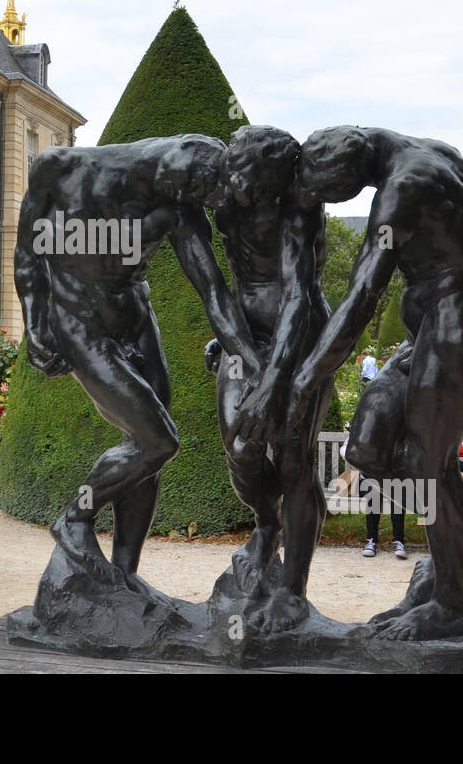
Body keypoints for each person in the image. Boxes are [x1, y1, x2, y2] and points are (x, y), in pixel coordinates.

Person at [15, 135, 261, 604]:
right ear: (167, 169)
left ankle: (124, 575)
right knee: (157, 441)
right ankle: (75, 518)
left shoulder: (178, 205)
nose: (187, 206)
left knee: (146, 453)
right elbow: (29, 255)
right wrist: (35, 325)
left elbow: (213, 293)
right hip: (80, 324)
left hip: (137, 321)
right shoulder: (59, 170)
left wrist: (252, 362)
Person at [282, 126, 463, 641]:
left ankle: (453, 605)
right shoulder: (441, 155)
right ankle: (461, 543)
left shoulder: (401, 188)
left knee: (429, 469)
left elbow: (362, 297)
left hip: (453, 335)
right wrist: (434, 316)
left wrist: (307, 377)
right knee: (365, 447)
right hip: (431, 335)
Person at [202, 125, 332, 632]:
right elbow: (230, 278)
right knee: (240, 445)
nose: (233, 184)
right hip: (247, 336)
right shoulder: (228, 204)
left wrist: (279, 378)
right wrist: (229, 333)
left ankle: (293, 593)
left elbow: (299, 292)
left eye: (246, 177)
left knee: (296, 461)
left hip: (300, 342)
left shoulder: (299, 208)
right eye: (232, 171)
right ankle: (266, 523)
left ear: (275, 181)